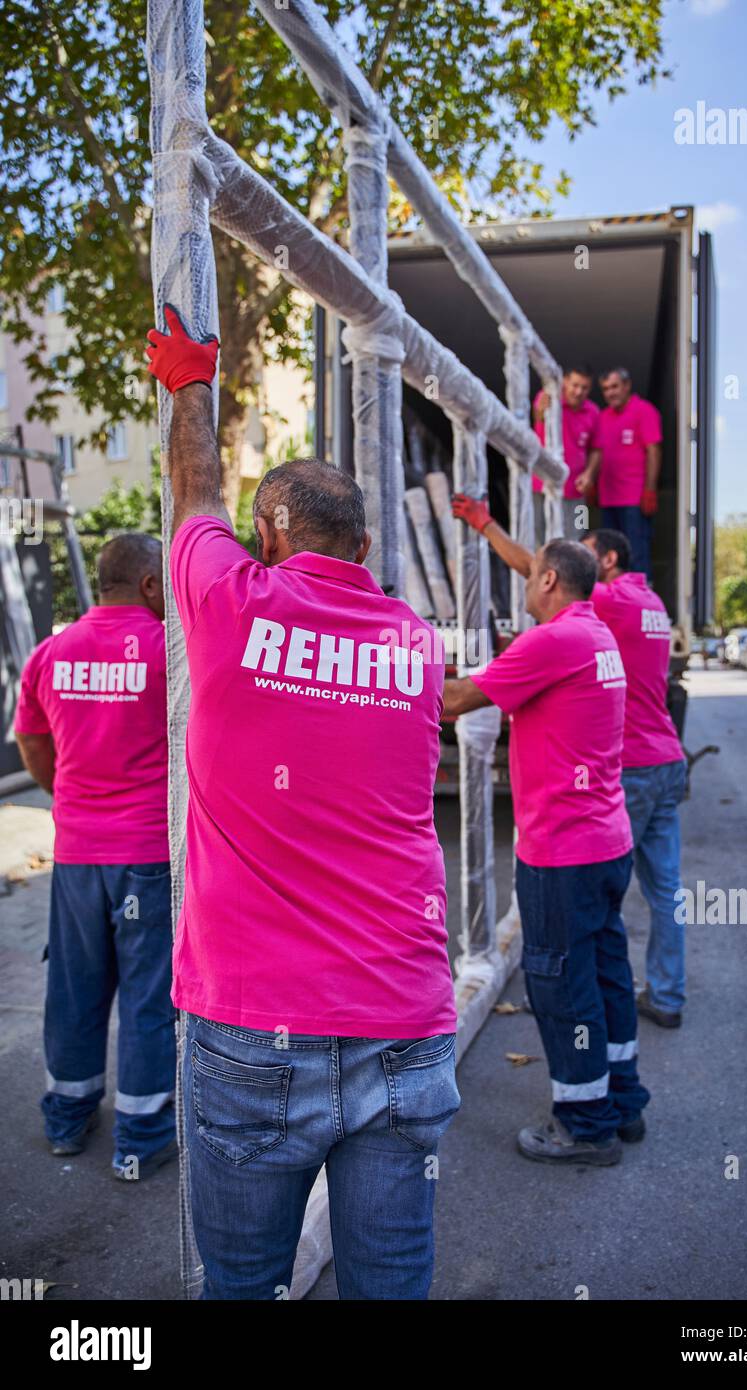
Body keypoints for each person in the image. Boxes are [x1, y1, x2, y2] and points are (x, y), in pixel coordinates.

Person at [146, 305, 459, 1300]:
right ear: (365, 545)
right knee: (390, 1286)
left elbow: (193, 489)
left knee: (240, 1285)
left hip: (254, 1025)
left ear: (268, 532)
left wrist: (190, 379)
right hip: (403, 1016)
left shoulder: (230, 600)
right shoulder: (414, 645)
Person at [444, 513, 649, 1165]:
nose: (526, 582)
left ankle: (586, 1125)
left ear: (551, 581)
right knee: (607, 972)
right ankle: (624, 1102)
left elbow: (452, 701)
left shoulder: (551, 642)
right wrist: (488, 526)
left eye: (532, 575)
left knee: (562, 987)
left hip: (563, 852)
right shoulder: (596, 634)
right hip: (605, 842)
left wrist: (380, 661)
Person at [14, 533, 177, 1179]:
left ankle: (67, 1117)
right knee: (147, 994)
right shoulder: (171, 653)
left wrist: (72, 796)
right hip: (146, 854)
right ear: (146, 585)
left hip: (76, 853)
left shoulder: (51, 653)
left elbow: (31, 740)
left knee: (74, 985)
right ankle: (140, 1136)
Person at [581, 530, 688, 1028]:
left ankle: (606, 999)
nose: (579, 559)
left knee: (603, 887)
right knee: (666, 890)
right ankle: (666, 997)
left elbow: (546, 576)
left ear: (608, 558)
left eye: (585, 551)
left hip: (637, 765)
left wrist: (486, 526)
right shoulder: (652, 603)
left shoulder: (616, 599)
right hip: (668, 758)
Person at [576, 367, 662, 577]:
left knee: (636, 554)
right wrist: (594, 485)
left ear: (627, 386)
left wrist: (650, 490)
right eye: (605, 389)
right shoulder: (601, 417)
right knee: (609, 558)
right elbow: (596, 453)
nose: (610, 393)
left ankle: (642, 602)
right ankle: (617, 603)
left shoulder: (644, 410)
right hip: (608, 501)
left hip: (634, 500)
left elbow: (654, 450)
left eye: (614, 387)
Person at [531, 365, 599, 540]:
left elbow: (596, 449)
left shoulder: (593, 411)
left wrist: (590, 474)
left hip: (578, 490)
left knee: (579, 537)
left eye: (584, 388)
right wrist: (540, 410)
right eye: (575, 385)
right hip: (542, 486)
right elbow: (538, 417)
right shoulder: (549, 399)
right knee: (539, 537)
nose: (578, 392)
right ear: (565, 382)